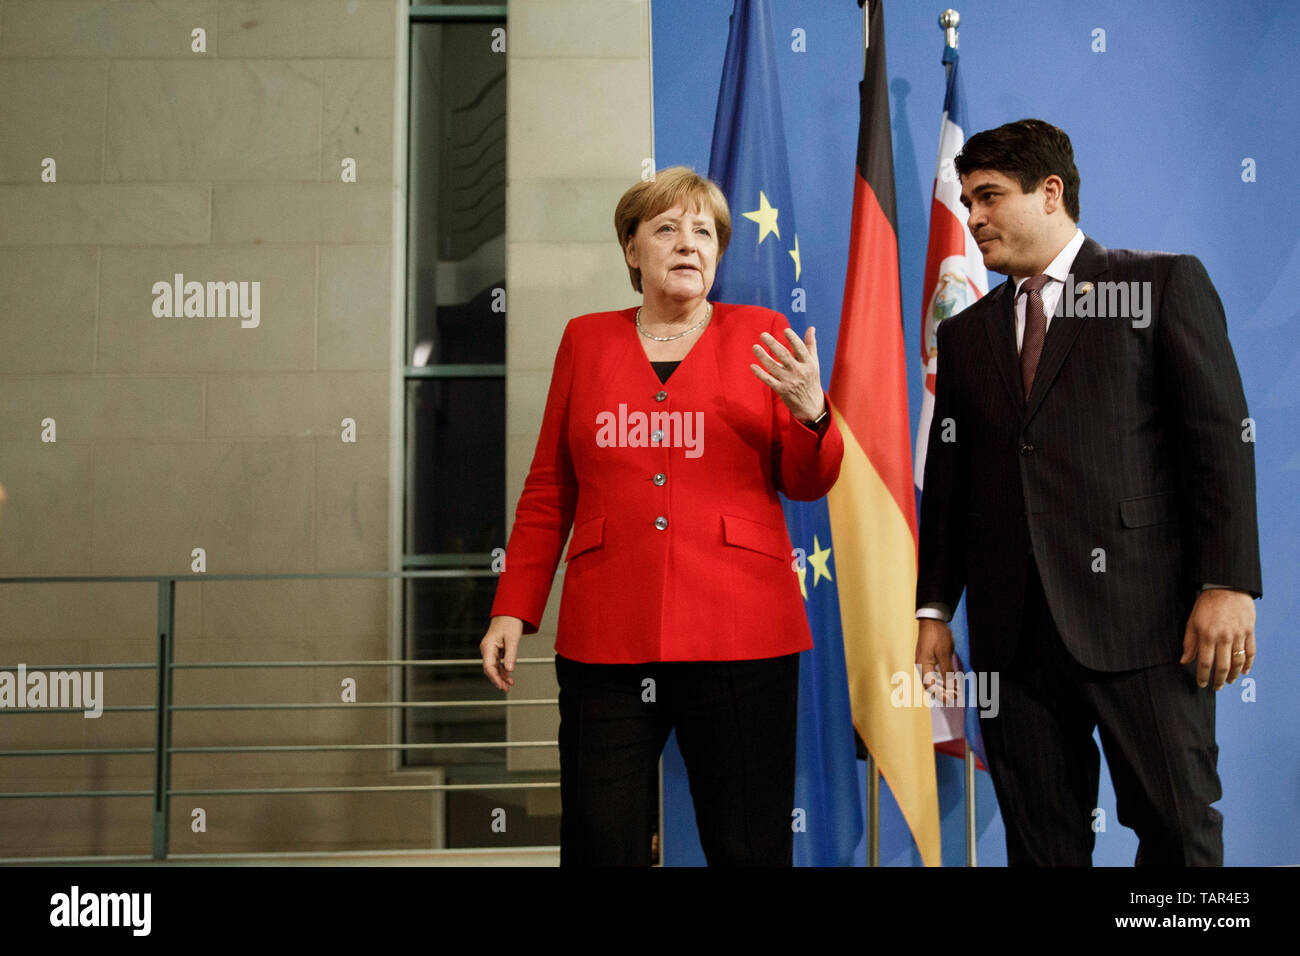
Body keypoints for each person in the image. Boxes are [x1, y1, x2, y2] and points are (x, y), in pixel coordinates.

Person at [914, 119, 1261, 866]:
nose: (971, 217)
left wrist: (1228, 583)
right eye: (967, 199)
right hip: (1013, 639)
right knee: (1041, 851)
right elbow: (949, 482)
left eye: (988, 197)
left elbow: (1220, 444)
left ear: (1051, 193)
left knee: (1180, 837)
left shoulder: (1160, 284)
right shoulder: (969, 335)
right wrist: (934, 609)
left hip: (1147, 626)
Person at [479, 166, 843, 866]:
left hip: (744, 632)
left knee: (750, 847)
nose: (688, 243)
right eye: (667, 228)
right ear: (631, 250)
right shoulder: (585, 340)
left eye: (704, 232)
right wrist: (511, 609)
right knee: (599, 841)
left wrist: (813, 415)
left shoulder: (764, 334)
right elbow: (550, 488)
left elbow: (807, 482)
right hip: (606, 638)